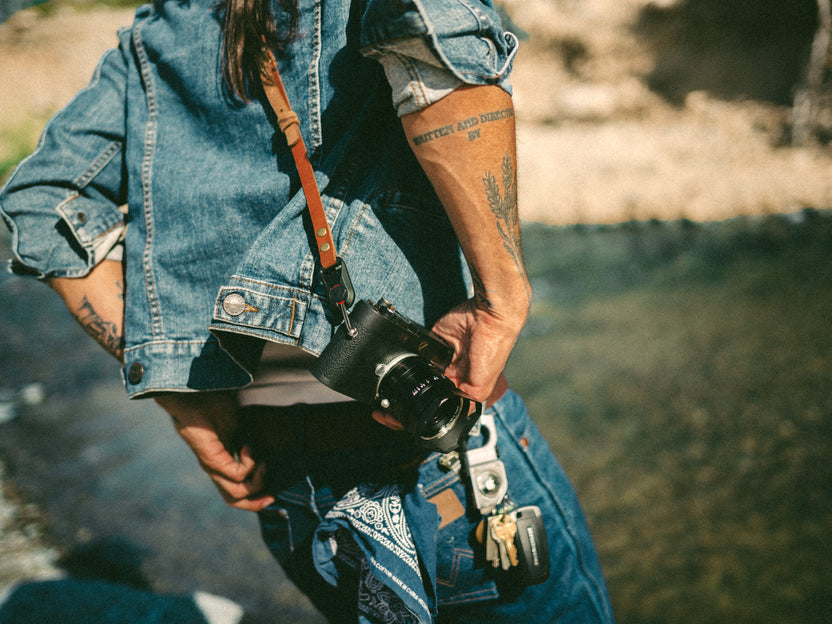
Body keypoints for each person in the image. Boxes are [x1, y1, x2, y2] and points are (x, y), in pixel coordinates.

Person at [0, 0, 614, 621]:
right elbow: (432, 24)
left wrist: (181, 387)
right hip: (435, 458)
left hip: (291, 491)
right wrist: (502, 294)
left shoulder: (158, 33)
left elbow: (41, 202)